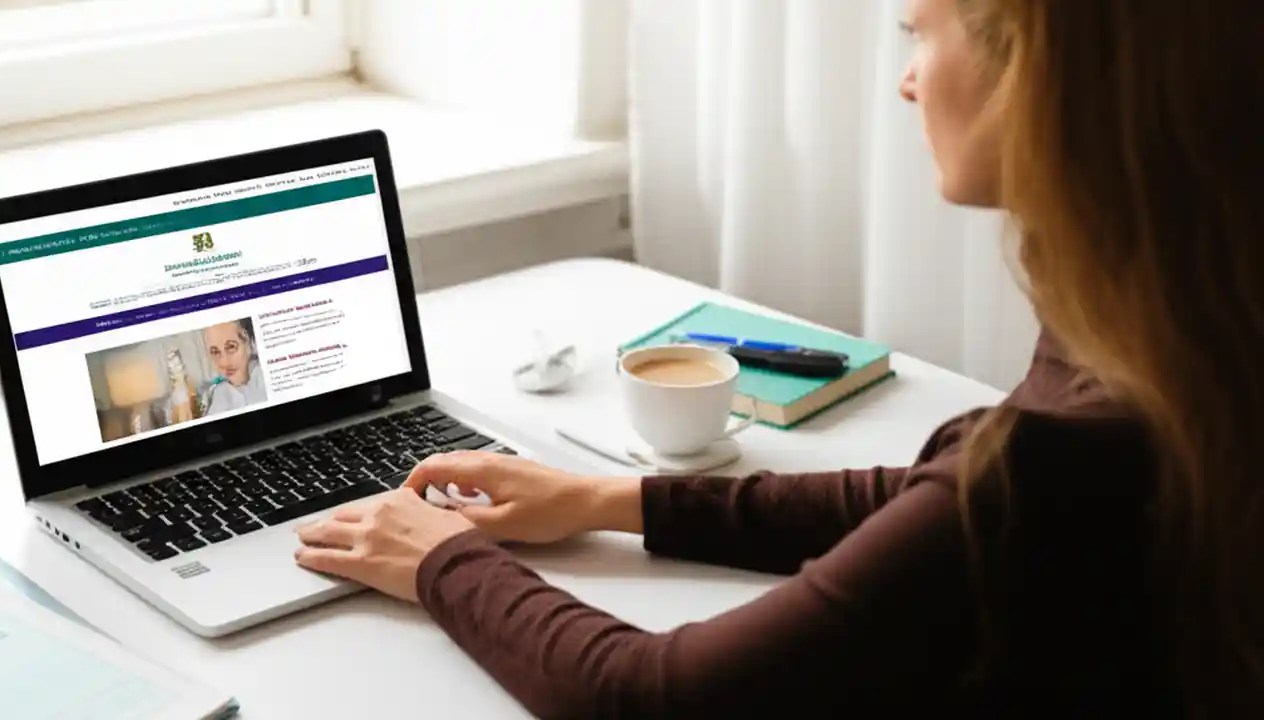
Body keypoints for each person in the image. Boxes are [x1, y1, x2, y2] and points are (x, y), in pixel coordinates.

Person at [294, 0, 1264, 716]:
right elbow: (940, 502)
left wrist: (444, 563)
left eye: (918, 34)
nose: (907, 79)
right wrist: (607, 502)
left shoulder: (1059, 455)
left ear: (1036, 73)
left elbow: (650, 697)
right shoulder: (1173, 338)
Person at [201, 319, 266, 416]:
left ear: (249, 342)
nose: (224, 362)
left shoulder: (265, 377)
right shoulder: (218, 393)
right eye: (215, 352)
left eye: (231, 347)